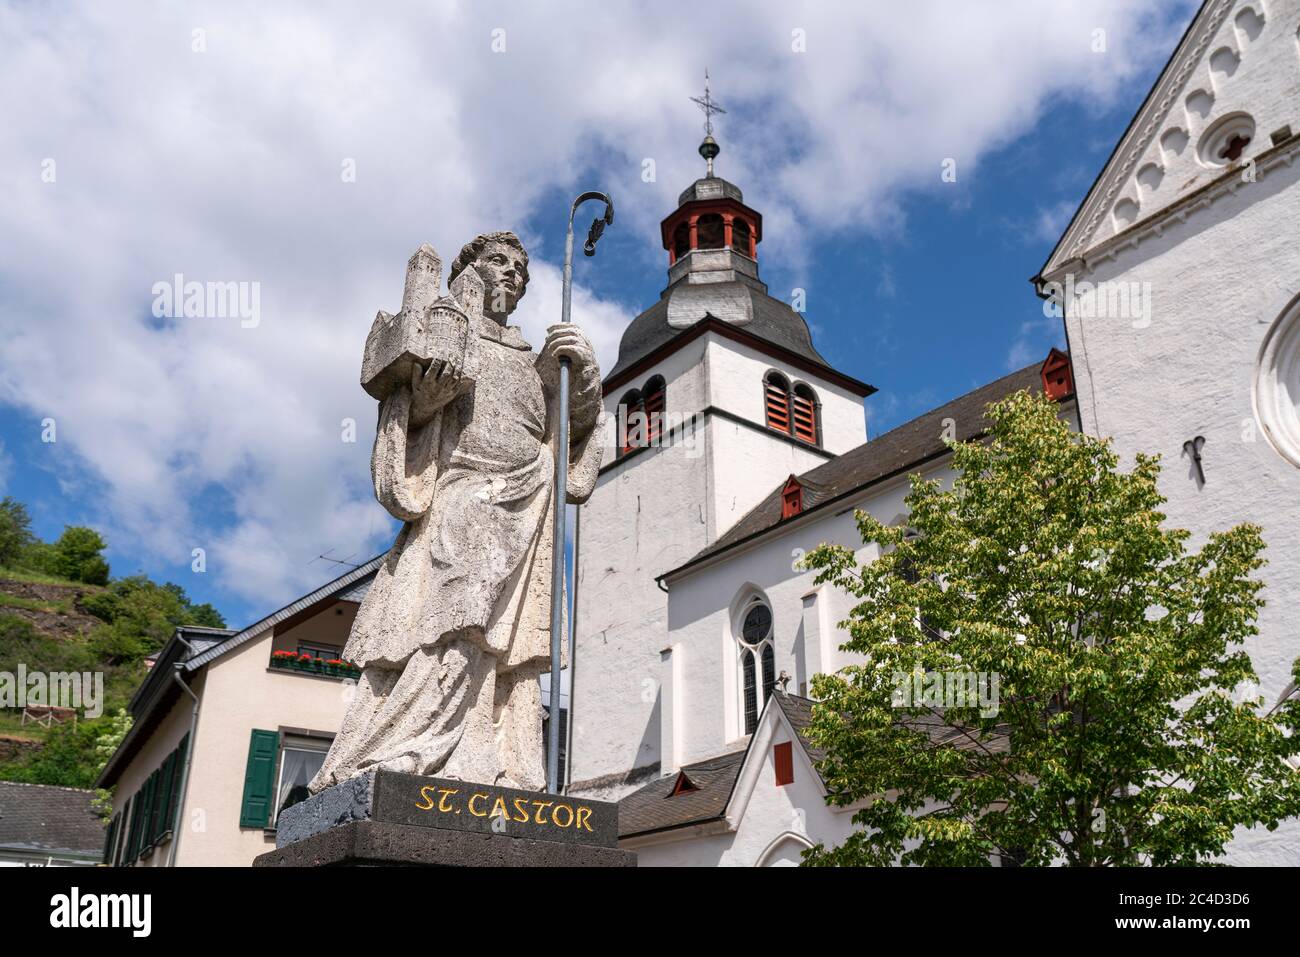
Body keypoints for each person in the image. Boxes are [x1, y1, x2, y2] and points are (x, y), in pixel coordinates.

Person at [310, 231, 603, 793]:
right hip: (465, 492)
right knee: (459, 609)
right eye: (500, 262)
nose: (514, 274)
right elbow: (410, 415)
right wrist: (428, 398)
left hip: (530, 499)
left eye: (522, 268)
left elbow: (569, 437)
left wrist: (582, 373)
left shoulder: (531, 360)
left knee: (510, 644)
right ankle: (405, 742)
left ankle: (496, 759)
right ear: (471, 272)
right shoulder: (451, 332)